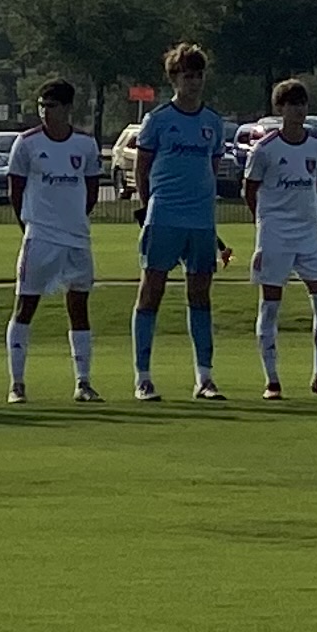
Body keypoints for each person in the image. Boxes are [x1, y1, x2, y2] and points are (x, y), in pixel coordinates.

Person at [127, 43, 229, 403]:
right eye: (188, 75)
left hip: (201, 221)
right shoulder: (158, 120)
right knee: (150, 292)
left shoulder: (213, 123)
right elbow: (142, 170)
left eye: (199, 75)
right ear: (174, 78)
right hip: (165, 216)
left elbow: (211, 169)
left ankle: (204, 377)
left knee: (200, 295)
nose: (194, 82)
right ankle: (143, 377)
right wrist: (148, 205)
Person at [3, 80, 103, 404]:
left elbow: (90, 190)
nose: (46, 112)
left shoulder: (85, 145)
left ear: (67, 108)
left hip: (76, 238)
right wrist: (30, 225)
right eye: (42, 106)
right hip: (41, 236)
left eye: (52, 106)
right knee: (26, 305)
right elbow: (15, 191)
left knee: (78, 307)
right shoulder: (26, 143)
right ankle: (17, 384)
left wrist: (75, 219)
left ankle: (83, 382)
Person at [241, 82, 317, 400]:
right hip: (275, 235)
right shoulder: (265, 149)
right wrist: (266, 222)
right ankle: (272, 380)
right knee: (270, 306)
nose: (299, 109)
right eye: (292, 104)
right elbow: (250, 190)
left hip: (308, 236)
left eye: (302, 103)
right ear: (280, 108)